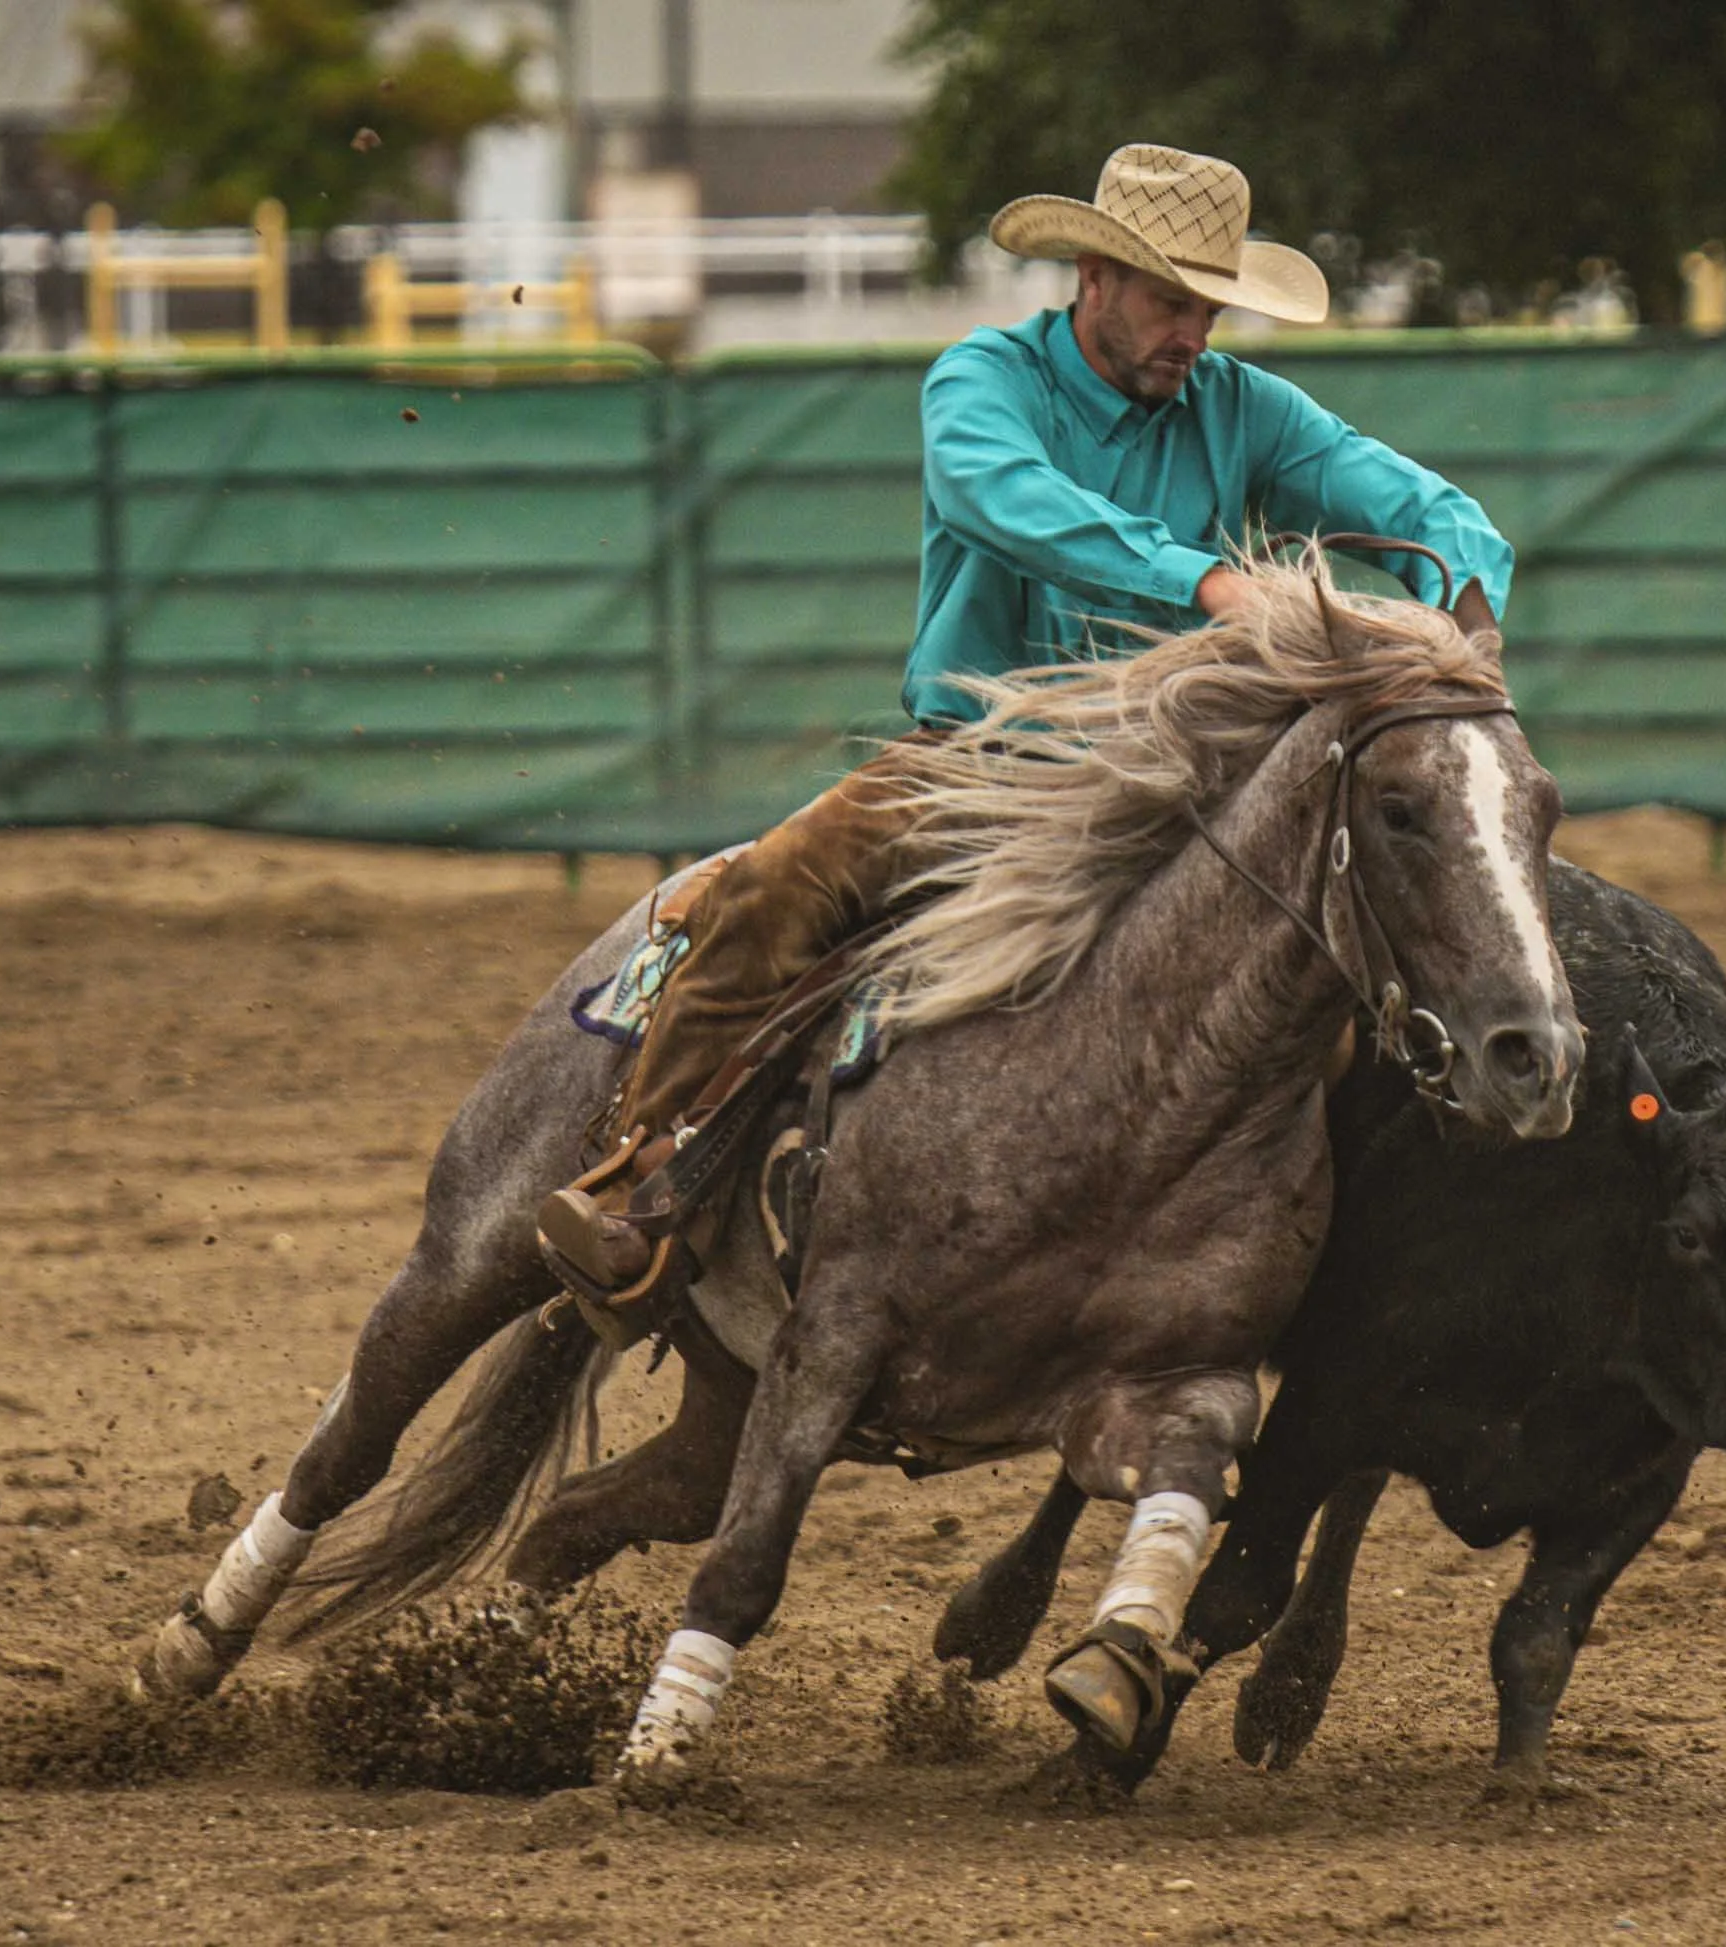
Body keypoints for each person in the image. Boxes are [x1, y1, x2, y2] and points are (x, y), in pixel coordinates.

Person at [537, 142, 1519, 1300]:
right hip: (976, 767)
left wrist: (1460, 618)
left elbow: (1424, 507)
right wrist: (1203, 581)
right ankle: (648, 1183)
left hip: (1171, 782)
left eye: (1209, 309)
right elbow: (1007, 501)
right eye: (1169, 302)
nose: (1191, 335)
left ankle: (1307, 1266)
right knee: (778, 888)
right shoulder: (981, 381)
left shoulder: (1244, 407)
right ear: (1093, 278)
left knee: (1331, 989)